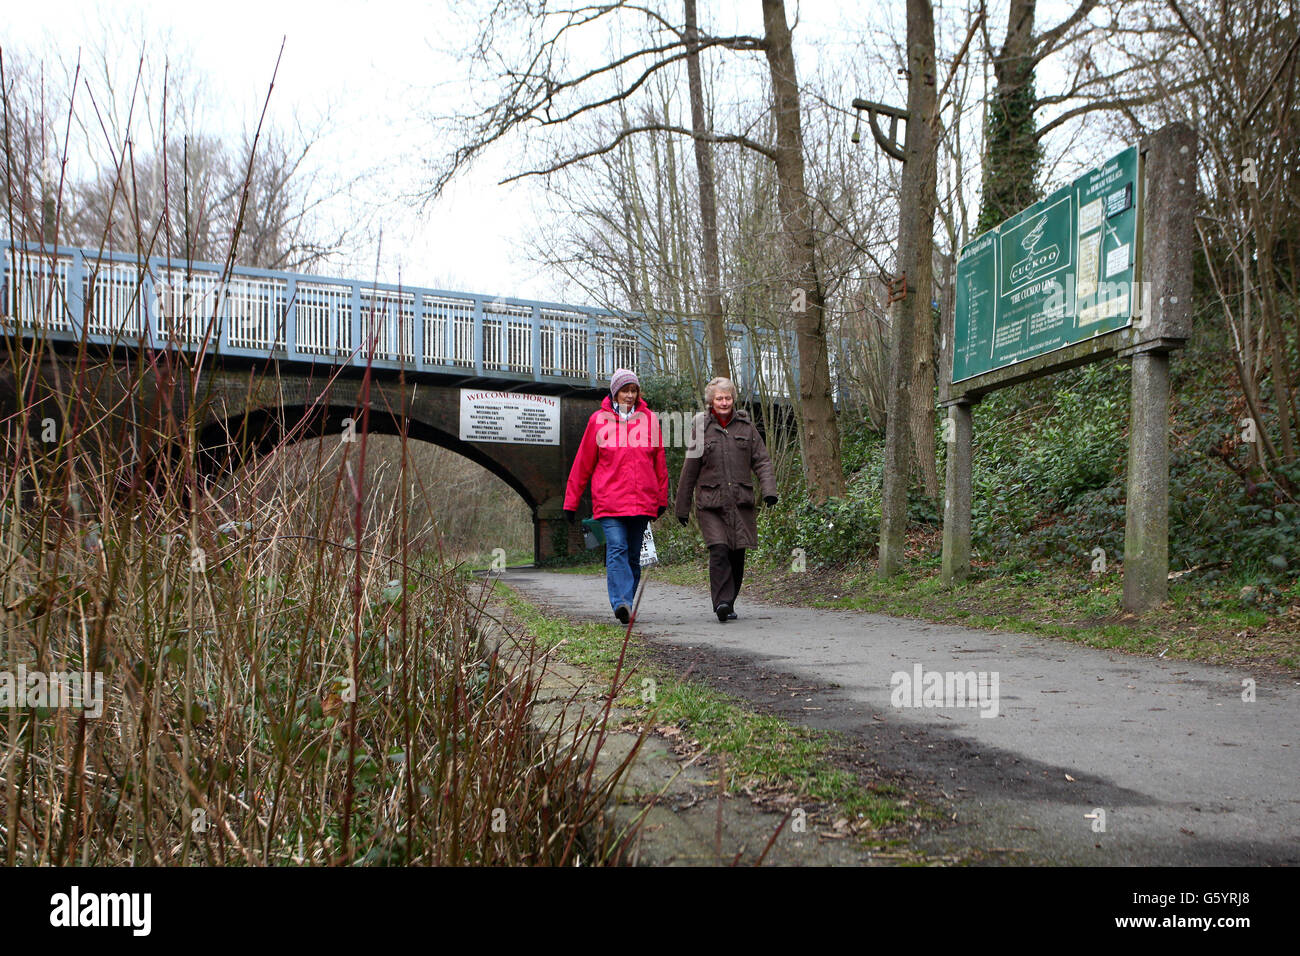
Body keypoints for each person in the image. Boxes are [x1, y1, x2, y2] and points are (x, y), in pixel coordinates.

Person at [564, 369, 668, 624]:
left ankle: (626, 605)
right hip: (609, 501)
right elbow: (583, 463)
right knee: (617, 547)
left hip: (642, 500)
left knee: (633, 555)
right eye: (625, 391)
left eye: (633, 391)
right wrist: (571, 502)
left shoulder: (650, 420)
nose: (629, 396)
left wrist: (661, 499)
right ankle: (620, 601)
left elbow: (659, 463)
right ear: (615, 392)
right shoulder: (598, 421)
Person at [674, 377, 777, 623]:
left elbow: (761, 460)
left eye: (727, 397)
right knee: (719, 549)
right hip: (711, 503)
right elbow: (690, 469)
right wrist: (682, 507)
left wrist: (769, 490)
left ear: (733, 399)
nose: (724, 402)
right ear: (711, 400)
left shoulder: (746, 427)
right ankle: (720, 601)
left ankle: (728, 602)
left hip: (740, 501)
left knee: (737, 553)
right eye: (719, 398)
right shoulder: (701, 428)